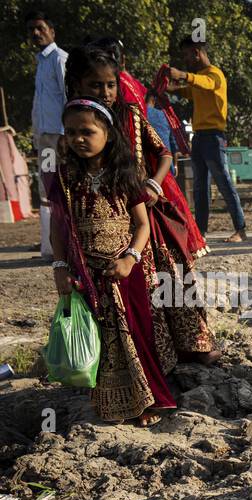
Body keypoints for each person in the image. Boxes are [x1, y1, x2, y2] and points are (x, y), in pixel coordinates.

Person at [68, 45, 217, 367]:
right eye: (96, 85)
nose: (105, 92)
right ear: (78, 85)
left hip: (142, 214)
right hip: (99, 227)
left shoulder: (130, 114)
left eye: (110, 85)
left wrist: (153, 184)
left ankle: (192, 347)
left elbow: (164, 153)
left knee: (168, 281)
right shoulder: (74, 127)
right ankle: (134, 364)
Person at [50, 99, 174, 426]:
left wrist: (130, 259)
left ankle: (146, 402)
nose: (78, 139)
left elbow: (142, 225)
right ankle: (109, 402)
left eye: (87, 131)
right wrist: (60, 268)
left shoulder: (125, 174)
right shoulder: (64, 178)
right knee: (101, 338)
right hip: (86, 274)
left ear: (107, 132)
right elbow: (58, 228)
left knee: (136, 334)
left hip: (124, 272)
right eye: (71, 132)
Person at [164, 37, 245, 242]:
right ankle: (200, 232)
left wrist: (183, 75)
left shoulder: (214, 74)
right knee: (200, 187)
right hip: (200, 137)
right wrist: (174, 89)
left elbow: (206, 84)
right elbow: (192, 91)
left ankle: (241, 229)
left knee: (224, 183)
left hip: (214, 137)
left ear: (197, 53)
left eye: (187, 54)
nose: (185, 59)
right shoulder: (199, 77)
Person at [27, 10, 68, 260]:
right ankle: (50, 247)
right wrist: (36, 138)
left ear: (52, 31)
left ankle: (64, 247)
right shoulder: (41, 62)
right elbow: (38, 105)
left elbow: (68, 97)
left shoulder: (59, 59)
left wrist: (66, 134)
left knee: (61, 188)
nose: (36, 33)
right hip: (45, 138)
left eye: (40, 28)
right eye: (32, 29)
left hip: (59, 137)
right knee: (47, 190)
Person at [143, 90, 177, 167]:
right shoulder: (165, 116)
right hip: (166, 165)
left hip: (147, 163)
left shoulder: (139, 113)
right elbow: (173, 144)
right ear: (154, 100)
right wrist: (175, 165)